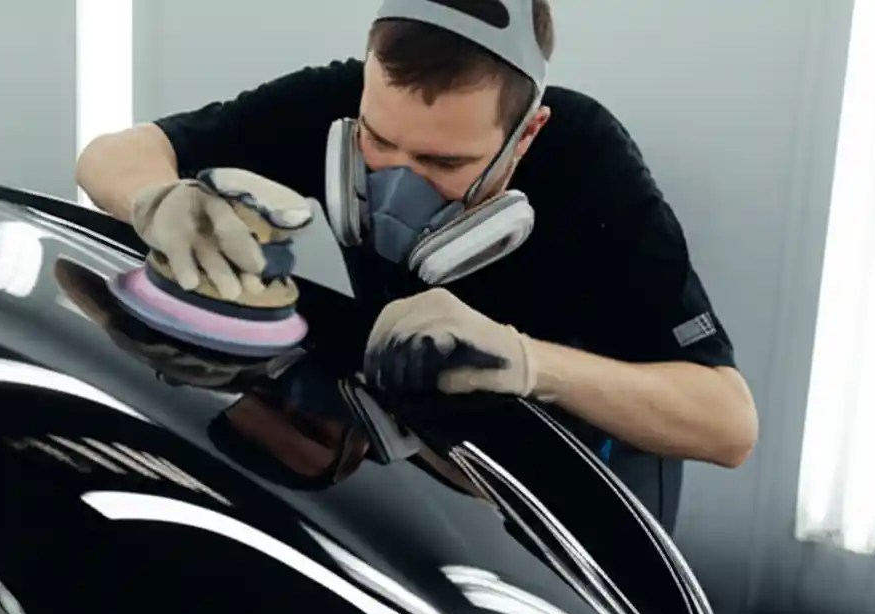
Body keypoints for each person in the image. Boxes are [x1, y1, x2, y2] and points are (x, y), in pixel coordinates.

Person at [76, 0, 759, 476]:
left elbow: (728, 424)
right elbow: (116, 152)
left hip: (564, 482)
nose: (395, 182)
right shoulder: (343, 98)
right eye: (376, 143)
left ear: (526, 136)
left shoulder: (591, 164)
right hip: (410, 456)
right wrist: (158, 200)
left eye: (444, 164)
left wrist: (526, 363)